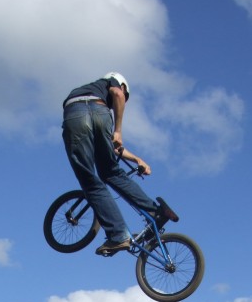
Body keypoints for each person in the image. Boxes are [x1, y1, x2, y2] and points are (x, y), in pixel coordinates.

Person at [62, 72, 172, 256]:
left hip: (76, 115)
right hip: (98, 115)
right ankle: (155, 211)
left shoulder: (97, 91)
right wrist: (118, 130)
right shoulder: (110, 83)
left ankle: (119, 234)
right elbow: (119, 95)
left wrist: (137, 159)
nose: (119, 105)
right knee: (111, 172)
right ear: (122, 85)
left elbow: (115, 145)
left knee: (91, 180)